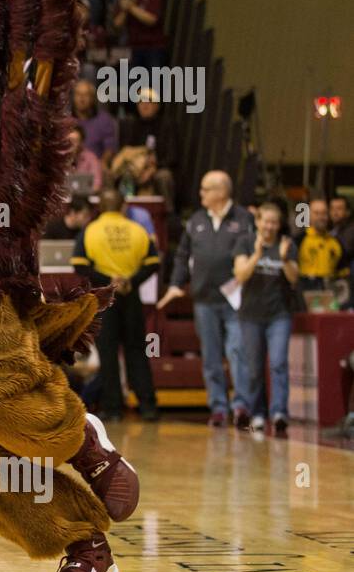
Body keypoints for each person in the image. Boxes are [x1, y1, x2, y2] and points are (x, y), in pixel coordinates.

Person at [160, 171, 255, 426]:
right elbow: (182, 255)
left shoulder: (244, 219)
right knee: (211, 356)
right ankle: (218, 409)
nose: (201, 194)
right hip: (204, 299)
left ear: (222, 192)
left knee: (237, 352)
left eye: (205, 189)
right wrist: (176, 284)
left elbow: (253, 254)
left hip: (235, 300)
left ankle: (242, 407)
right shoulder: (196, 220)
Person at [73, 189, 161, 422]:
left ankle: (113, 409)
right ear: (123, 207)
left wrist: (108, 281)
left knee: (108, 353)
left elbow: (79, 264)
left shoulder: (90, 231)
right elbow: (153, 263)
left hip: (104, 299)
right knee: (136, 351)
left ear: (100, 208)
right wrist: (130, 281)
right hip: (130, 297)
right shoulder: (139, 231)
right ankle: (148, 406)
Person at [232, 202, 298, 433]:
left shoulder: (286, 245)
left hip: (279, 315)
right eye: (266, 221)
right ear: (258, 221)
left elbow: (294, 278)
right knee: (254, 367)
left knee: (278, 363)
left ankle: (279, 412)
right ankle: (257, 413)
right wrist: (258, 253)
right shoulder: (245, 242)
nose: (270, 226)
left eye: (274, 222)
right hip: (250, 315)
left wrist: (285, 259)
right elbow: (240, 274)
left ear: (279, 225)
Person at [296, 198, 344, 292]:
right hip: (306, 290)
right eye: (316, 213)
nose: (321, 217)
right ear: (308, 215)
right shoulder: (299, 240)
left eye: (324, 213)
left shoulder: (336, 242)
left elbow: (343, 271)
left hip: (330, 291)